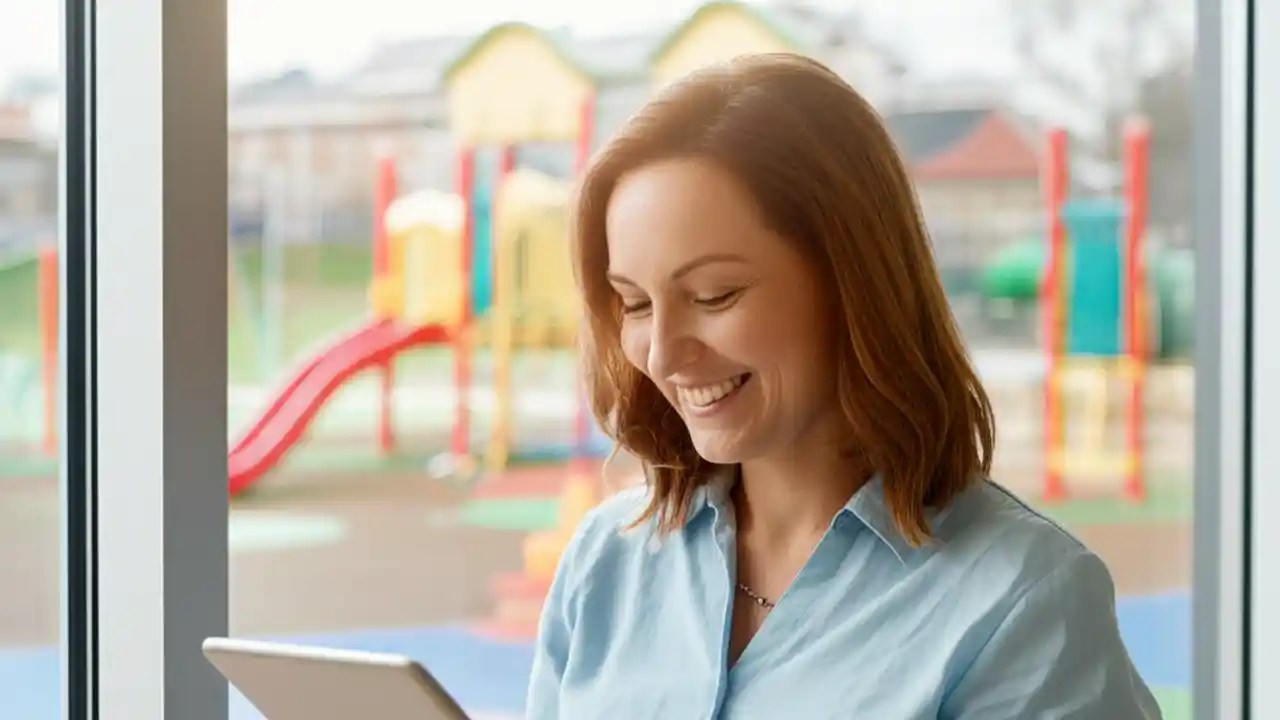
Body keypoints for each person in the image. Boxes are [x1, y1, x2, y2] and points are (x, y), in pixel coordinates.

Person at [526, 53, 1160, 719]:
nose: (661, 354)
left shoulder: (1022, 604)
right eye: (634, 304)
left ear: (852, 280)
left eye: (714, 295)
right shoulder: (605, 562)